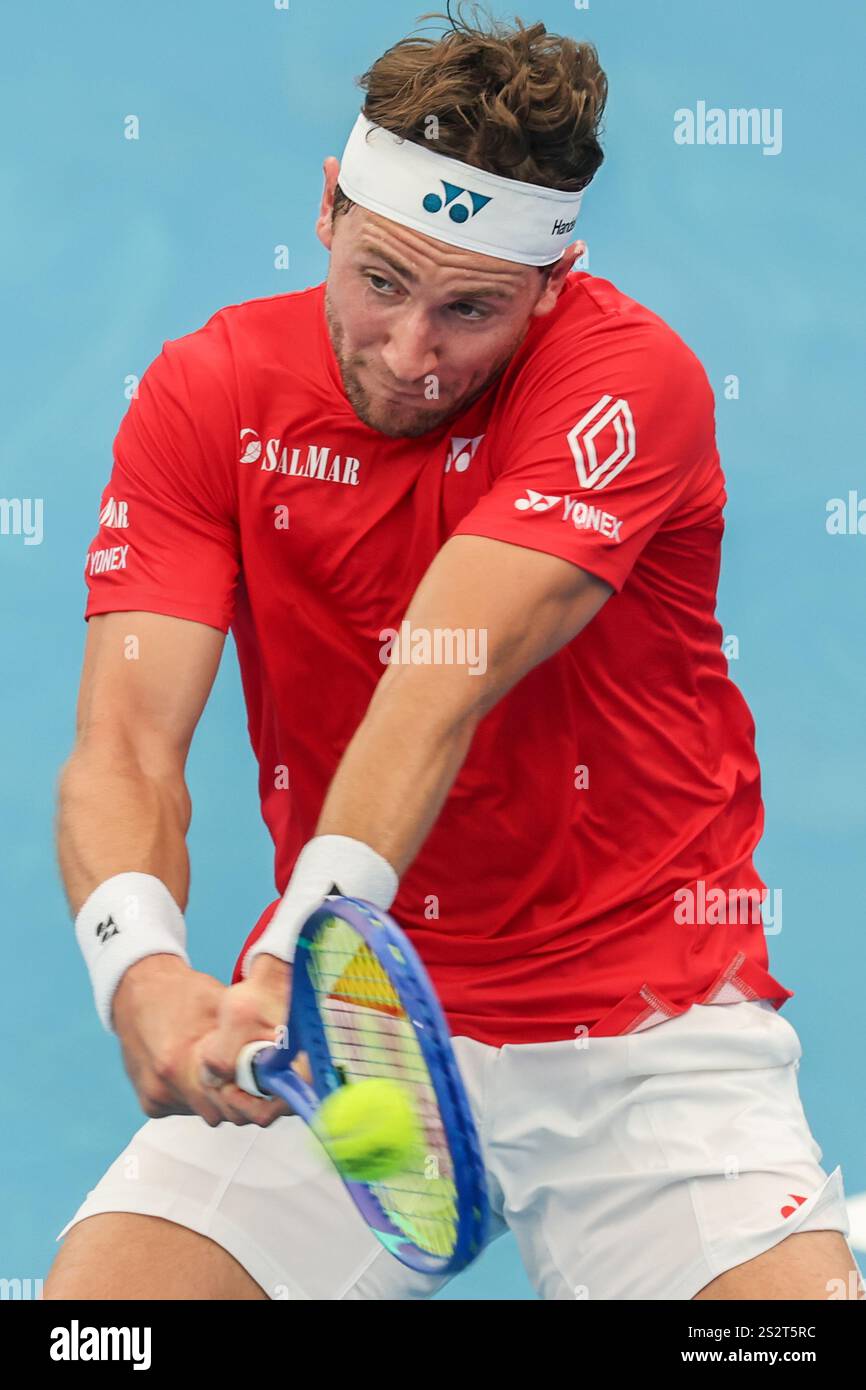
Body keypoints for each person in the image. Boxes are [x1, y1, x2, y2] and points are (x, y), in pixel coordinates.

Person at [45, 7, 862, 1301]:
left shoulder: (624, 380)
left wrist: (279, 958)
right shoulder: (208, 392)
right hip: (348, 1037)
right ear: (326, 209)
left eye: (469, 309)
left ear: (553, 279)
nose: (411, 355)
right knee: (102, 1334)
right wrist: (137, 968)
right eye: (379, 281)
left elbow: (442, 669)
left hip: (646, 1036)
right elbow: (125, 746)